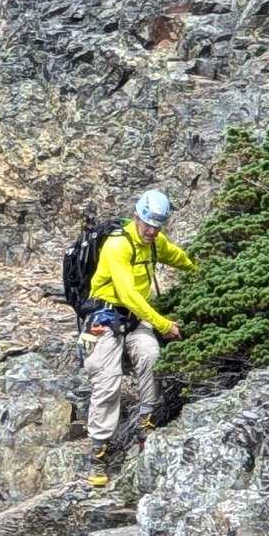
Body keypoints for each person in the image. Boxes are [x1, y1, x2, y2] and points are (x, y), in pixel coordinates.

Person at [81, 188, 195, 488]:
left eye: (157, 226)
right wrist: (163, 324)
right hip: (104, 317)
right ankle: (98, 451)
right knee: (107, 379)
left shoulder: (155, 243)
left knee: (150, 356)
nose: (151, 231)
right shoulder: (118, 245)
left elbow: (178, 258)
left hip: (134, 319)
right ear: (136, 216)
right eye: (147, 224)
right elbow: (128, 294)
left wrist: (202, 273)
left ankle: (147, 422)